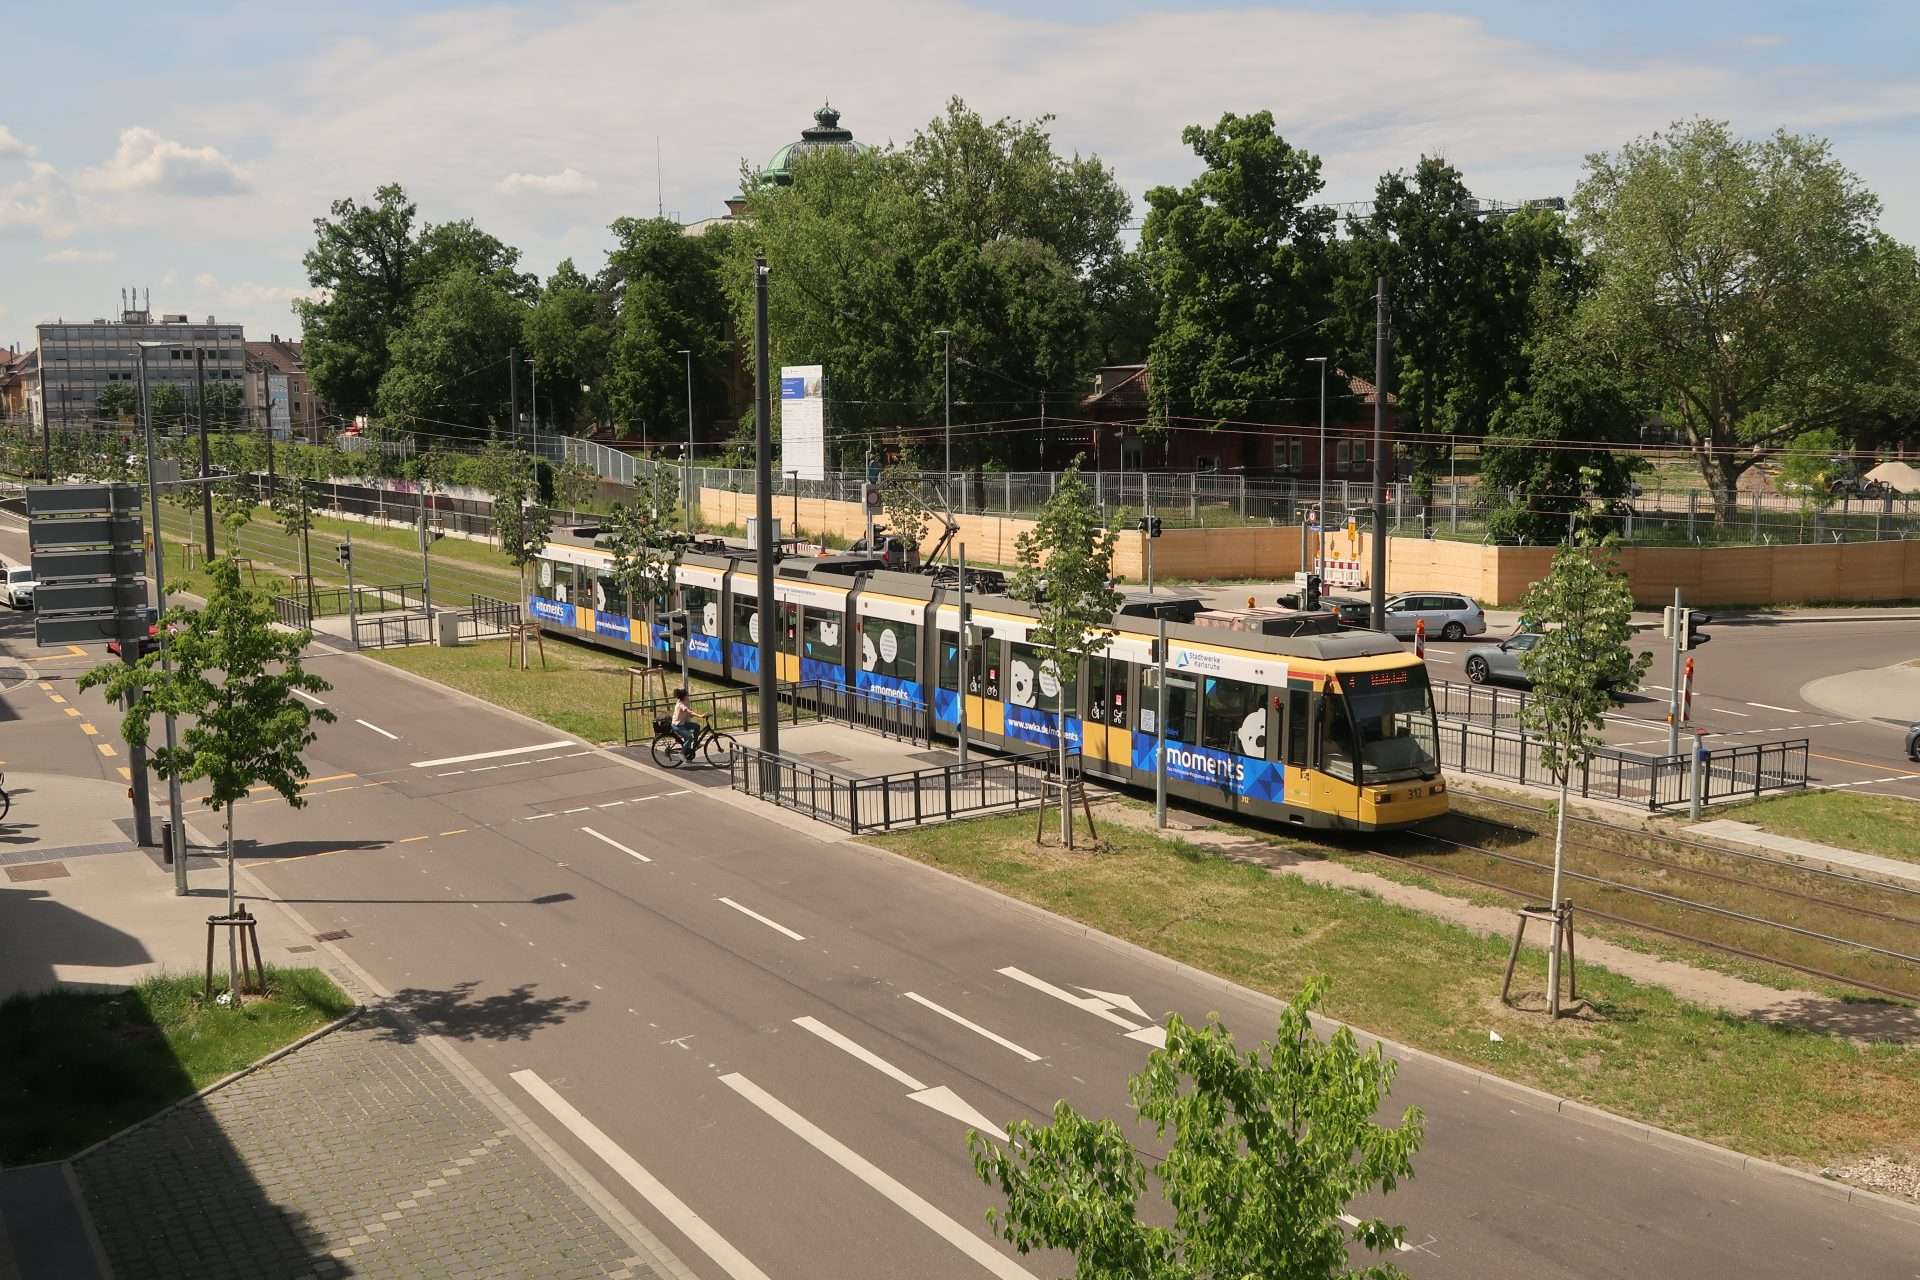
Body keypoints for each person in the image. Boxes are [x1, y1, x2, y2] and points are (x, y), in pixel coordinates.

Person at [670, 688, 703, 758]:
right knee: (689, 738)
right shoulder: (681, 704)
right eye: (688, 695)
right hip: (677, 725)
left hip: (683, 723)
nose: (689, 697)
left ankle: (695, 744)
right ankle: (682, 753)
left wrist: (702, 715)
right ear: (685, 697)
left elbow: (690, 714)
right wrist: (700, 716)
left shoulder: (685, 703)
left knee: (696, 726)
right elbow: (688, 711)